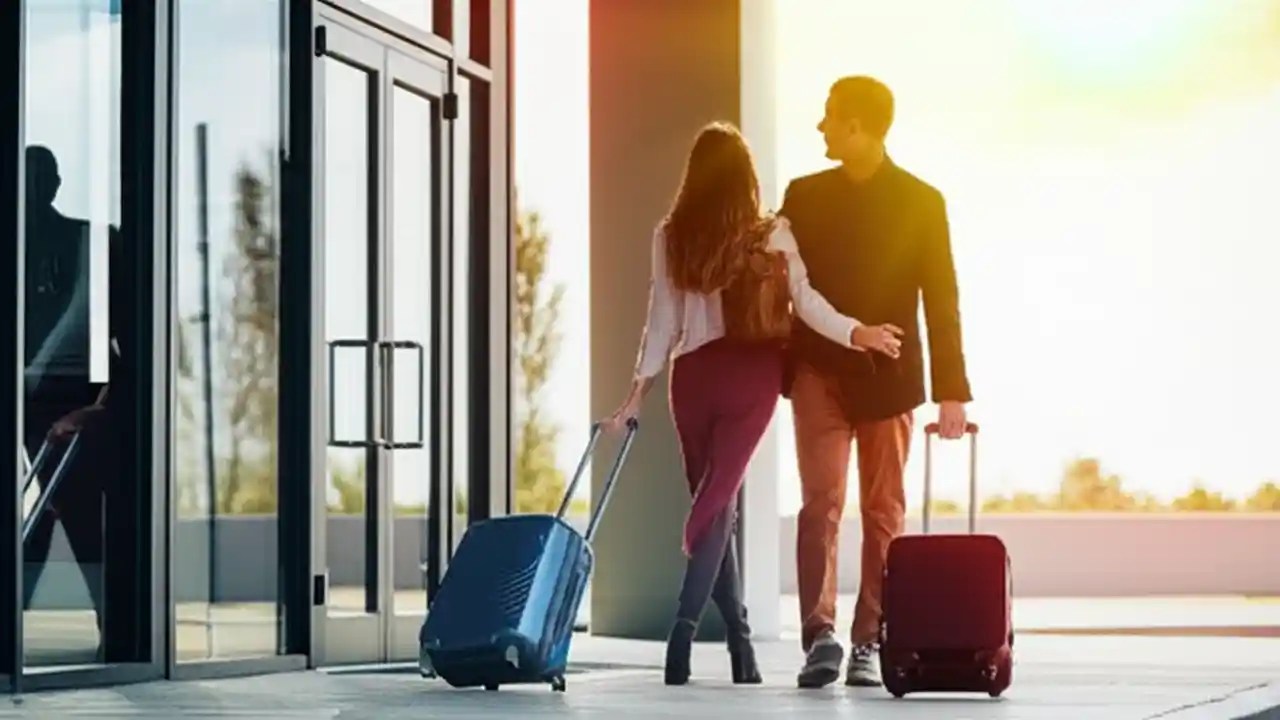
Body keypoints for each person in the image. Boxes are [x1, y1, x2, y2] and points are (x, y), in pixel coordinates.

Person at [601, 121, 904, 686]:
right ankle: (733, 639)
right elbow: (806, 302)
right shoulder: (771, 232)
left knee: (714, 504)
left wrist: (634, 396)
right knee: (718, 509)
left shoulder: (671, 235)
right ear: (746, 177)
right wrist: (856, 331)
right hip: (752, 376)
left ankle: (686, 639)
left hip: (690, 381)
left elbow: (661, 324)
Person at [782, 76, 973, 689]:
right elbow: (784, 282)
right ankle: (821, 637)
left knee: (883, 510)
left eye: (830, 117)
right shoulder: (803, 195)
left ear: (859, 126)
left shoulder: (923, 201)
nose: (821, 128)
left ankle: (870, 639)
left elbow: (942, 299)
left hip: (890, 380)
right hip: (818, 372)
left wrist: (952, 391)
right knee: (821, 506)